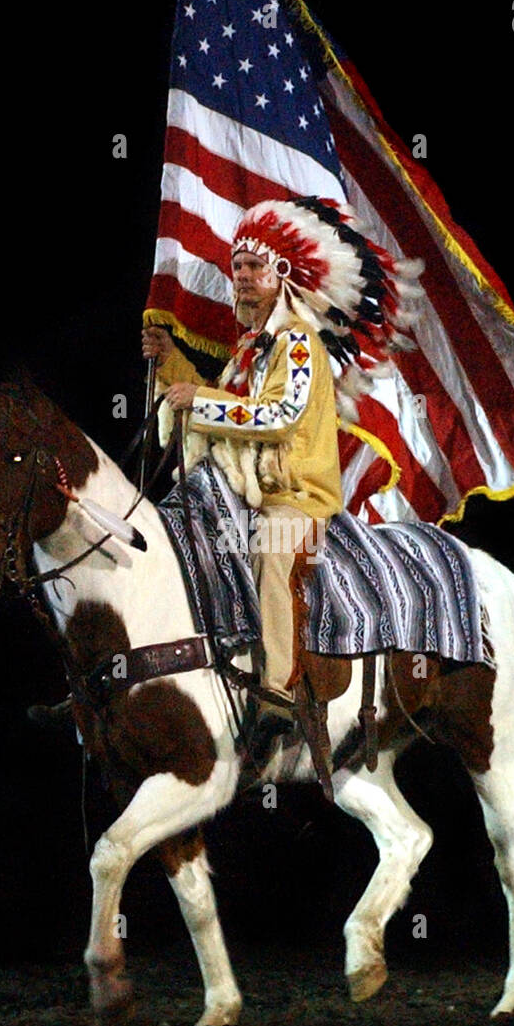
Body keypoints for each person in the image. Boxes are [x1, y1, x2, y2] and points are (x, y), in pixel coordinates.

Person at [143, 202, 345, 745]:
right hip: (244, 489)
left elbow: (279, 417)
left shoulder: (298, 341)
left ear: (280, 275)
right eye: (237, 269)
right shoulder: (248, 353)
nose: (243, 279)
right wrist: (171, 363)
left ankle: (277, 690)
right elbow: (226, 400)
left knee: (270, 551)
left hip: (295, 497)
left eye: (255, 267)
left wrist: (199, 399)